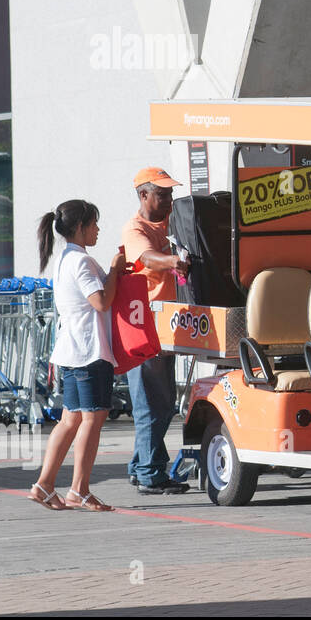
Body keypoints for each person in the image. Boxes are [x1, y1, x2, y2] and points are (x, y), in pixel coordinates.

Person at [28, 200, 127, 511]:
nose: (98, 229)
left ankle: (44, 485)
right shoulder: (81, 261)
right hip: (89, 351)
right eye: (94, 224)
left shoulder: (64, 258)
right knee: (91, 420)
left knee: (69, 420)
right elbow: (101, 302)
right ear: (80, 228)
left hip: (70, 351)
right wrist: (114, 270)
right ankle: (79, 489)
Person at [121, 167, 191, 494]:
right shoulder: (136, 228)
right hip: (144, 330)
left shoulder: (174, 223)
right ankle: (150, 474)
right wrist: (172, 261)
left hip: (168, 329)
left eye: (171, 193)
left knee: (160, 403)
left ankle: (141, 466)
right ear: (144, 196)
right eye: (162, 194)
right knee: (152, 405)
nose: (169, 199)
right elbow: (145, 258)